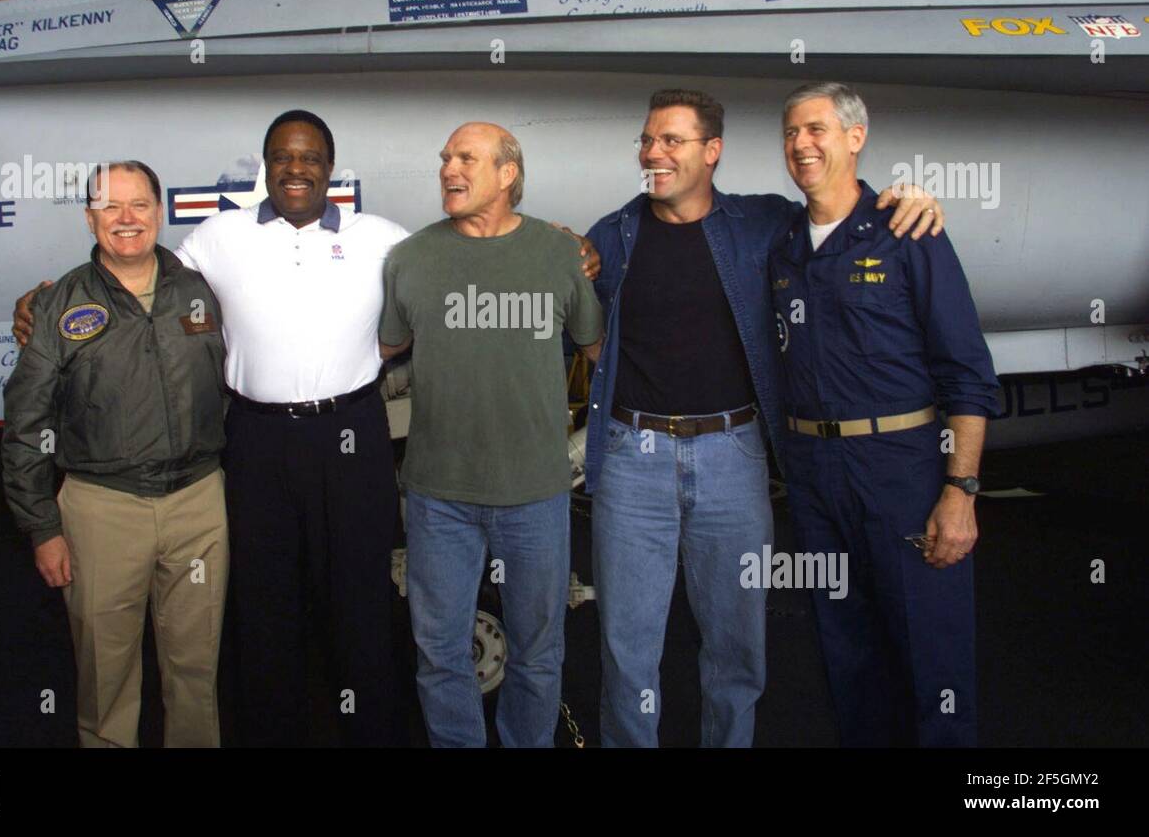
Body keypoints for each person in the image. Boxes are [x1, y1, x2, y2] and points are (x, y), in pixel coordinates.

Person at [13, 112, 601, 746]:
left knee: (361, 603)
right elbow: (140, 277)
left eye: (310, 157)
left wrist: (573, 251)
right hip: (255, 442)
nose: (296, 168)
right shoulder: (218, 237)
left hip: (351, 436)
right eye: (282, 157)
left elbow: (467, 254)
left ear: (330, 167)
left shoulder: (385, 239)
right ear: (266, 166)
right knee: (262, 608)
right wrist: (45, 302)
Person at [582, 89, 945, 747]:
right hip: (633, 457)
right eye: (646, 140)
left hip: (734, 456)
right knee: (627, 649)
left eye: (671, 141)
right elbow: (575, 322)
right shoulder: (615, 234)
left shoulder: (761, 224)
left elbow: (839, 209)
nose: (653, 153)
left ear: (712, 152)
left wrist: (906, 198)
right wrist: (554, 251)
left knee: (736, 646)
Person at [770, 82, 998, 747]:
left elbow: (966, 372)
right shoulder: (782, 243)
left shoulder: (908, 230)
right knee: (847, 654)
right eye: (791, 133)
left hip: (900, 471)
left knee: (932, 654)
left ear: (854, 137)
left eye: (815, 129)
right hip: (814, 474)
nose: (801, 145)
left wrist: (961, 491)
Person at [379, 122, 603, 747]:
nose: (449, 167)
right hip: (437, 497)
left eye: (466, 158)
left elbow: (595, 344)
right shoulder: (411, 258)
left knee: (538, 652)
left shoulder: (559, 253)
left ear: (508, 174)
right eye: (445, 156)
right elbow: (386, 346)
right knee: (440, 652)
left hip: (536, 495)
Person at [2, 161, 229, 748]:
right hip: (103, 509)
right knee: (106, 679)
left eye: (139, 205)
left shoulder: (200, 287)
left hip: (199, 505)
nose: (126, 219)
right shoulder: (59, 305)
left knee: (196, 671)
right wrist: (41, 526)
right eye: (110, 207)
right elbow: (26, 423)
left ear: (160, 211)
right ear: (90, 218)